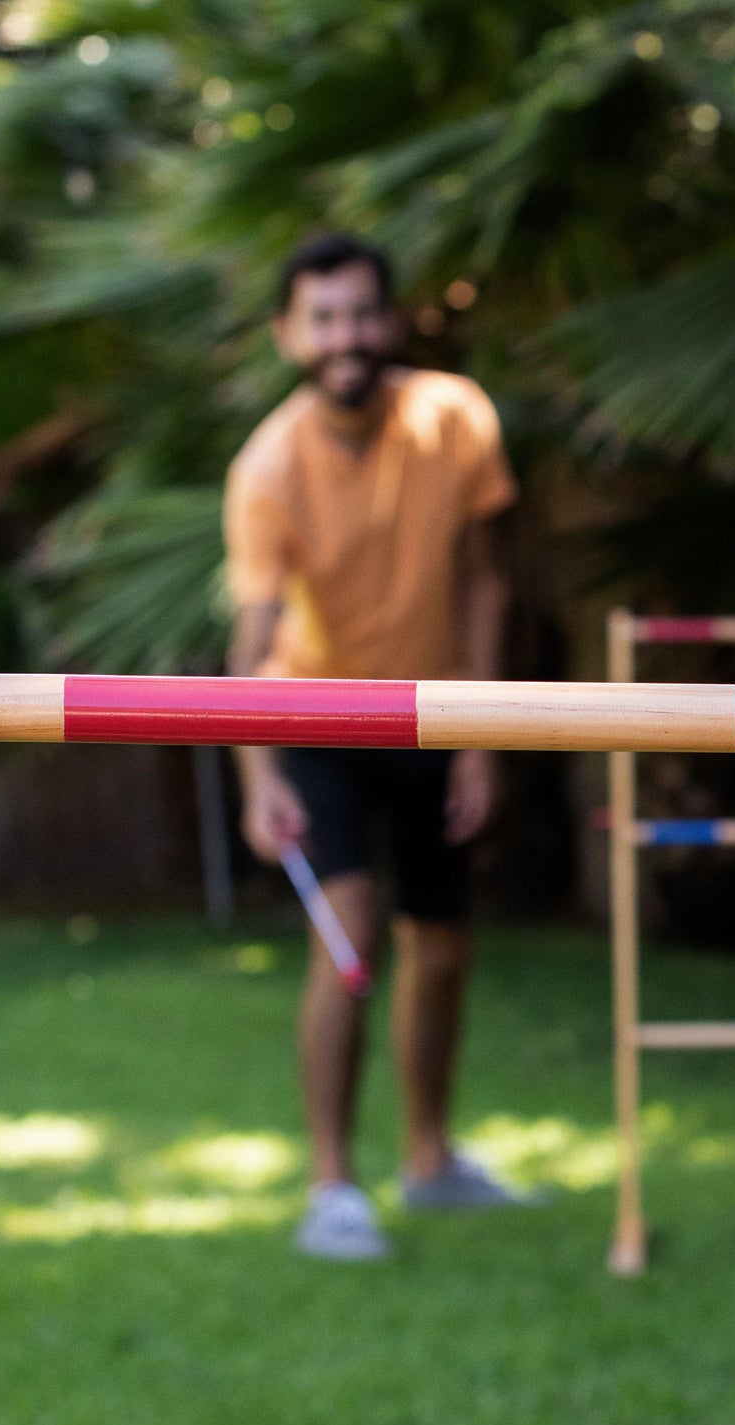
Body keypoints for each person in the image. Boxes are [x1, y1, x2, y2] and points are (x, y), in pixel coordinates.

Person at [225, 231, 521, 1259]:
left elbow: (485, 577)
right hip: (313, 717)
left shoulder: (456, 417)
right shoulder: (266, 467)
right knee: (351, 940)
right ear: (288, 333)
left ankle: (431, 1160)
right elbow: (253, 641)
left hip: (437, 713)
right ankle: (330, 1186)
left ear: (389, 322)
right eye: (324, 317)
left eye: (361, 313)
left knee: (441, 943)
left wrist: (482, 732)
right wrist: (256, 774)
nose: (345, 336)